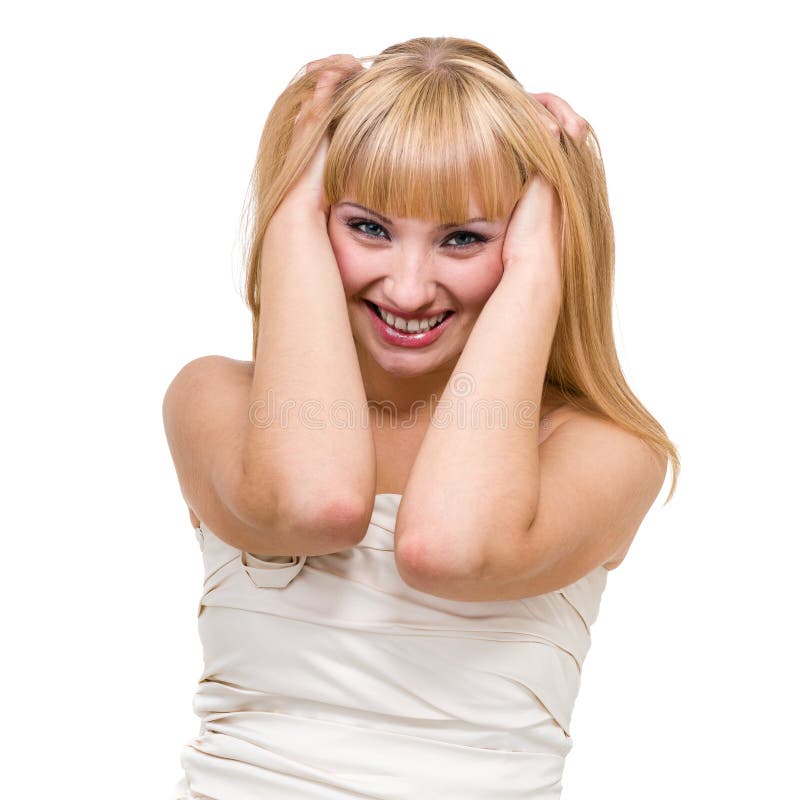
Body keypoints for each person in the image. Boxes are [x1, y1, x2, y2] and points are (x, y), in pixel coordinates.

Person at [163, 36, 679, 799]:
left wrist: (541, 273)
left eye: (464, 238)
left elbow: (450, 550)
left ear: (534, 241)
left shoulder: (608, 449)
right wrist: (291, 212)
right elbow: (314, 503)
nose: (407, 290)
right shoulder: (217, 399)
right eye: (367, 227)